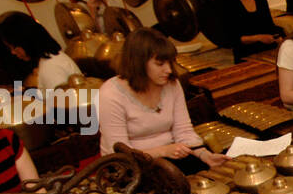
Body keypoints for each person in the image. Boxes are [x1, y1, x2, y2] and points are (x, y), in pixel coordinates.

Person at [97, 28, 227, 172]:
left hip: (170, 154)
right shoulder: (110, 94)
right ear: (138, 63)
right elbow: (120, 153)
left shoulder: (171, 83)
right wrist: (163, 151)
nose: (169, 70)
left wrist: (204, 155)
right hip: (129, 166)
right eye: (160, 64)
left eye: (170, 63)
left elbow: (183, 130)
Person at [0, 13, 81, 91]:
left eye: (14, 47)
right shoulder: (52, 57)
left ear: (26, 42)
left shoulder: (51, 68)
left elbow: (62, 105)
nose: (13, 52)